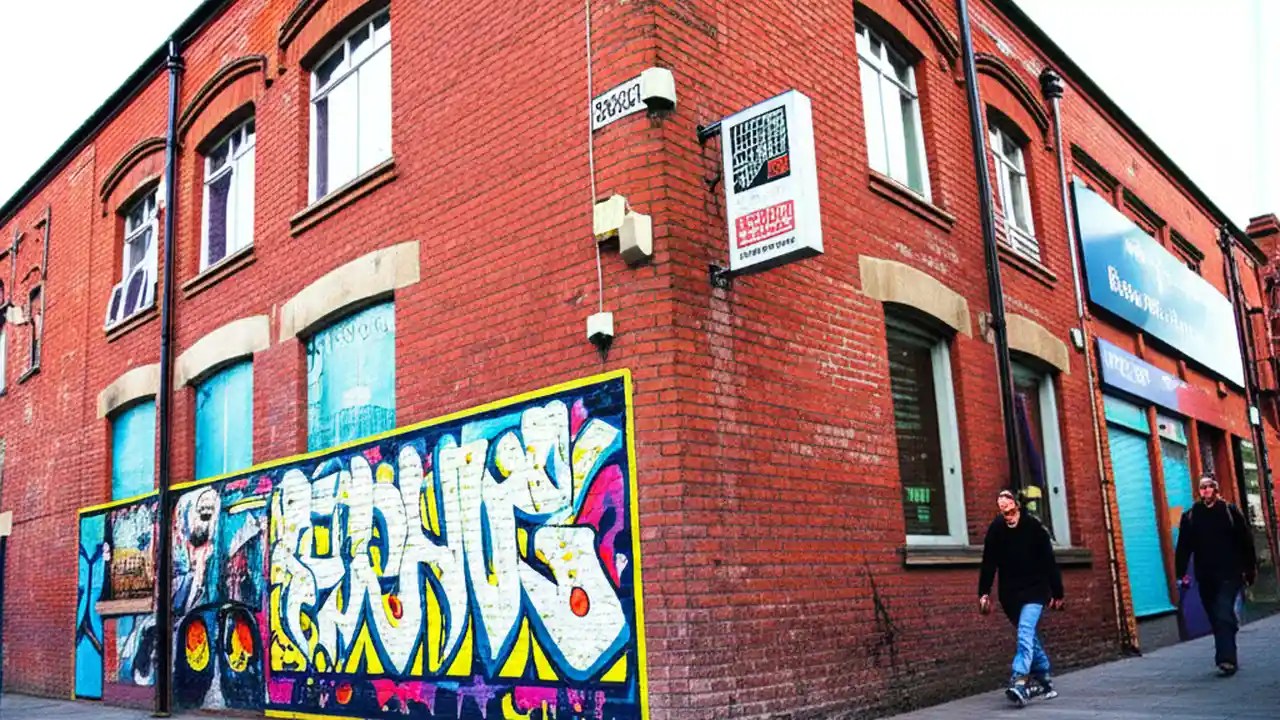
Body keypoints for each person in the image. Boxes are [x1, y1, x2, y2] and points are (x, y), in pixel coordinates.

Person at [979, 490, 1065, 706]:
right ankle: (1044, 678)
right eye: (1002, 512)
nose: (1006, 516)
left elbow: (1049, 561)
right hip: (1010, 595)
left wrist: (1057, 592)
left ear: (1017, 506)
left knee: (1025, 631)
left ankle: (1019, 681)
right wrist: (984, 592)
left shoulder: (1034, 528)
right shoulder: (996, 529)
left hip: (1035, 590)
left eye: (1009, 511)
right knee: (1028, 636)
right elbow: (989, 562)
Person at [1174, 476, 1257, 676]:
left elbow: (1245, 541)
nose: (1206, 490)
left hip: (1230, 573)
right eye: (1203, 487)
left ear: (1216, 489)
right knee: (1216, 616)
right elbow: (1183, 547)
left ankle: (1226, 659)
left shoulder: (1230, 512)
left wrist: (1249, 568)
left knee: (1222, 611)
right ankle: (1229, 628)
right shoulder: (1191, 516)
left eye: (1210, 486)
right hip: (1206, 576)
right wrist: (1181, 573)